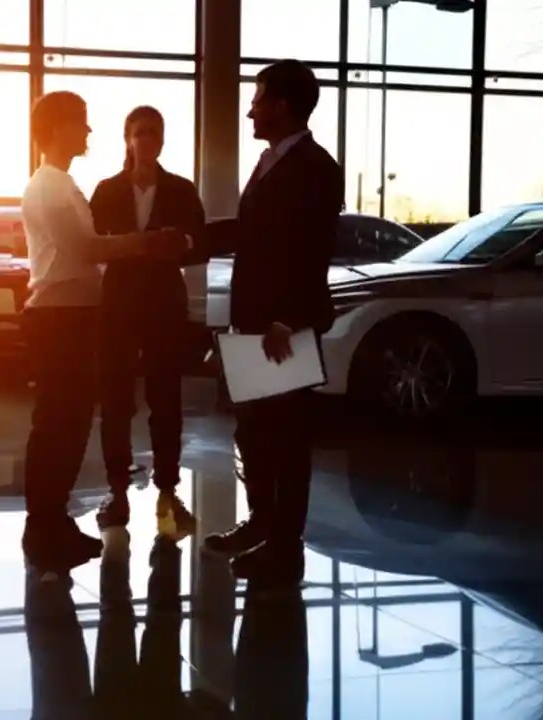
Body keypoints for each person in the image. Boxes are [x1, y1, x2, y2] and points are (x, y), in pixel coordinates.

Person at [20, 91, 188, 574]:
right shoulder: (50, 186)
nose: (89, 133)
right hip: (60, 314)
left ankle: (53, 522)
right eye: (81, 124)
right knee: (58, 423)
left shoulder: (60, 182)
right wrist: (145, 244)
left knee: (69, 423)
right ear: (55, 129)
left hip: (72, 312)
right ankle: (44, 527)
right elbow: (83, 248)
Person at [201, 60, 344, 585]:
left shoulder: (315, 168)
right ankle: (262, 524)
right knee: (254, 433)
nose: (250, 109)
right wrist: (187, 238)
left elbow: (312, 252)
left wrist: (290, 318)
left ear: (283, 105)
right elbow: (252, 233)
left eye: (258, 99)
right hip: (255, 327)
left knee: (286, 440)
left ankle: (285, 548)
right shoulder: (270, 162)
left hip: (285, 329)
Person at [89, 105, 207, 538]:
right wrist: (134, 246)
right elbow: (92, 246)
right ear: (127, 138)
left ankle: (168, 490)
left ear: (162, 140)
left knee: (166, 399)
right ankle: (117, 491)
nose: (146, 139)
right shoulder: (106, 191)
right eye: (140, 132)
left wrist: (182, 243)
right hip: (118, 304)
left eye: (154, 133)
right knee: (116, 400)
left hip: (163, 304)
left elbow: (201, 243)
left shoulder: (180, 189)